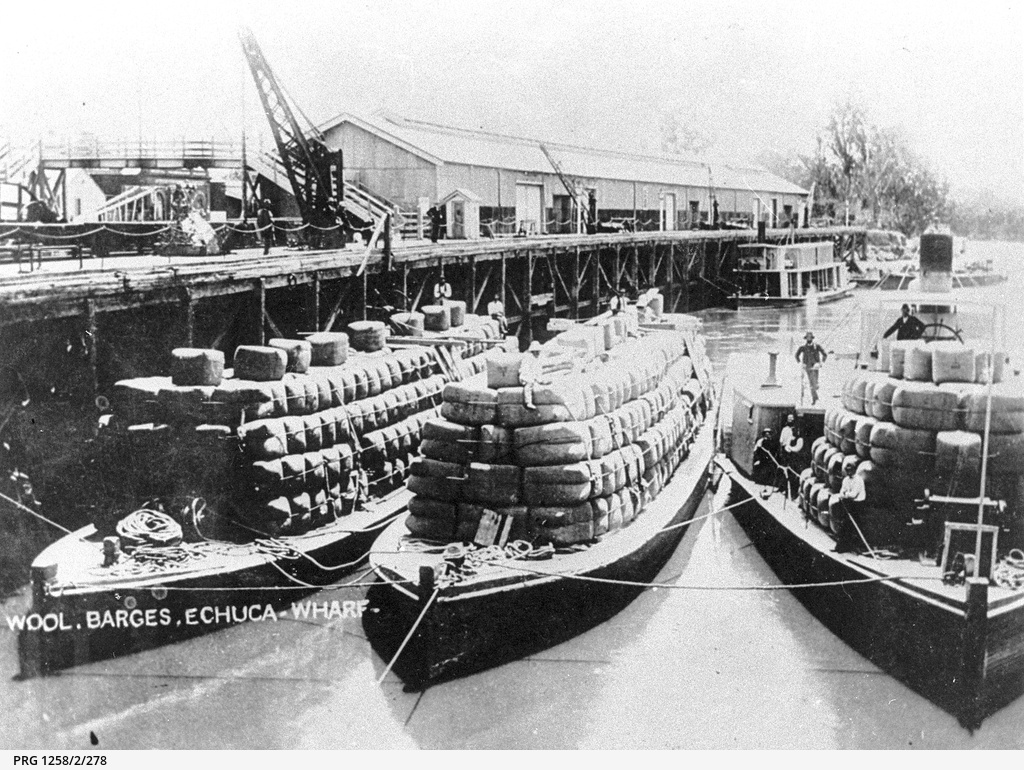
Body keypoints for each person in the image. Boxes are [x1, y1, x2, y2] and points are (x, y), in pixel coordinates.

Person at [832, 462, 867, 553]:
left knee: (855, 526)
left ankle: (858, 547)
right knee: (845, 525)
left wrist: (845, 494)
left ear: (854, 470)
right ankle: (840, 547)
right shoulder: (846, 480)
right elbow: (841, 491)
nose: (849, 472)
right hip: (849, 504)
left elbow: (853, 495)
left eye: (850, 470)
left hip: (858, 504)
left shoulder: (858, 480)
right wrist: (844, 494)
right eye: (847, 470)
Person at [795, 331, 827, 405]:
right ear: (806, 339)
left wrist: (821, 363)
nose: (809, 339)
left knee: (814, 384)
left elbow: (825, 354)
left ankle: (815, 396)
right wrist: (801, 363)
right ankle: (814, 399)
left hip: (815, 367)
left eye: (810, 337)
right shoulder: (803, 348)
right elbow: (796, 355)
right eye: (807, 337)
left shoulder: (817, 346)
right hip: (808, 368)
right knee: (812, 383)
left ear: (812, 338)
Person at [779, 413, 804, 496]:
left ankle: (792, 491)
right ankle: (784, 488)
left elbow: (798, 446)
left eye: (792, 419)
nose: (791, 420)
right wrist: (784, 450)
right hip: (786, 453)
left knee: (793, 472)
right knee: (784, 470)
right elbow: (781, 441)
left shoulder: (797, 434)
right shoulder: (785, 429)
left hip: (794, 455)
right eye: (789, 419)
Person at [519, 341, 547, 410]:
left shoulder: (537, 360)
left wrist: (539, 379)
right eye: (536, 351)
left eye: (538, 351)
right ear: (533, 351)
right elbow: (525, 369)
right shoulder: (528, 358)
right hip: (525, 376)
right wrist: (533, 377)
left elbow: (538, 371)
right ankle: (528, 402)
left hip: (532, 376)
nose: (538, 353)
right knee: (529, 384)